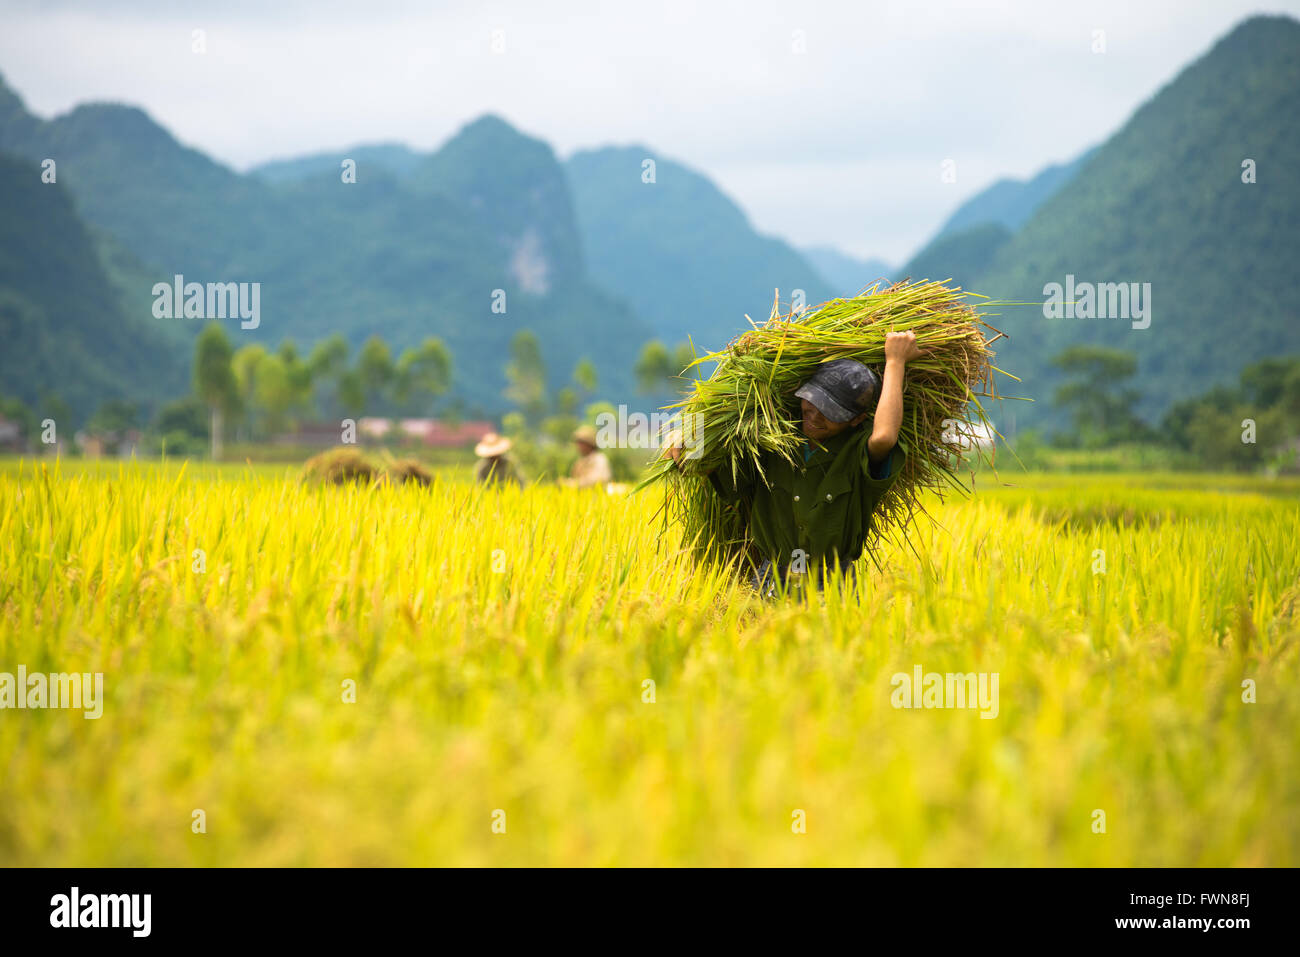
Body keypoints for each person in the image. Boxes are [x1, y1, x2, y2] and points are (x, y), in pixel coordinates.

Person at [666, 330, 924, 593]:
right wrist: (689, 439)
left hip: (833, 586)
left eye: (830, 412)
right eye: (812, 402)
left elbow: (884, 437)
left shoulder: (856, 454)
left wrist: (895, 361)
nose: (815, 415)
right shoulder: (772, 441)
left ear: (856, 419)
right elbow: (711, 471)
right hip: (770, 580)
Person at [561, 425, 612, 489]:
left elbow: (599, 480)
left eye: (581, 443)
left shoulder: (599, 459)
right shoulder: (580, 462)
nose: (578, 446)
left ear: (589, 444)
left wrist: (571, 483)